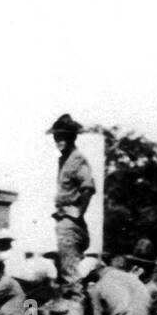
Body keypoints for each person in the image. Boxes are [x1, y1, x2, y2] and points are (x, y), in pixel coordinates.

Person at [47, 113, 95, 296]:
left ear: (72, 137)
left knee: (71, 275)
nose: (58, 141)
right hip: (63, 219)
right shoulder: (65, 159)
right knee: (66, 269)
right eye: (56, 137)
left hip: (70, 221)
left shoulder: (77, 160)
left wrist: (78, 212)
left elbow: (88, 187)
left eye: (62, 136)